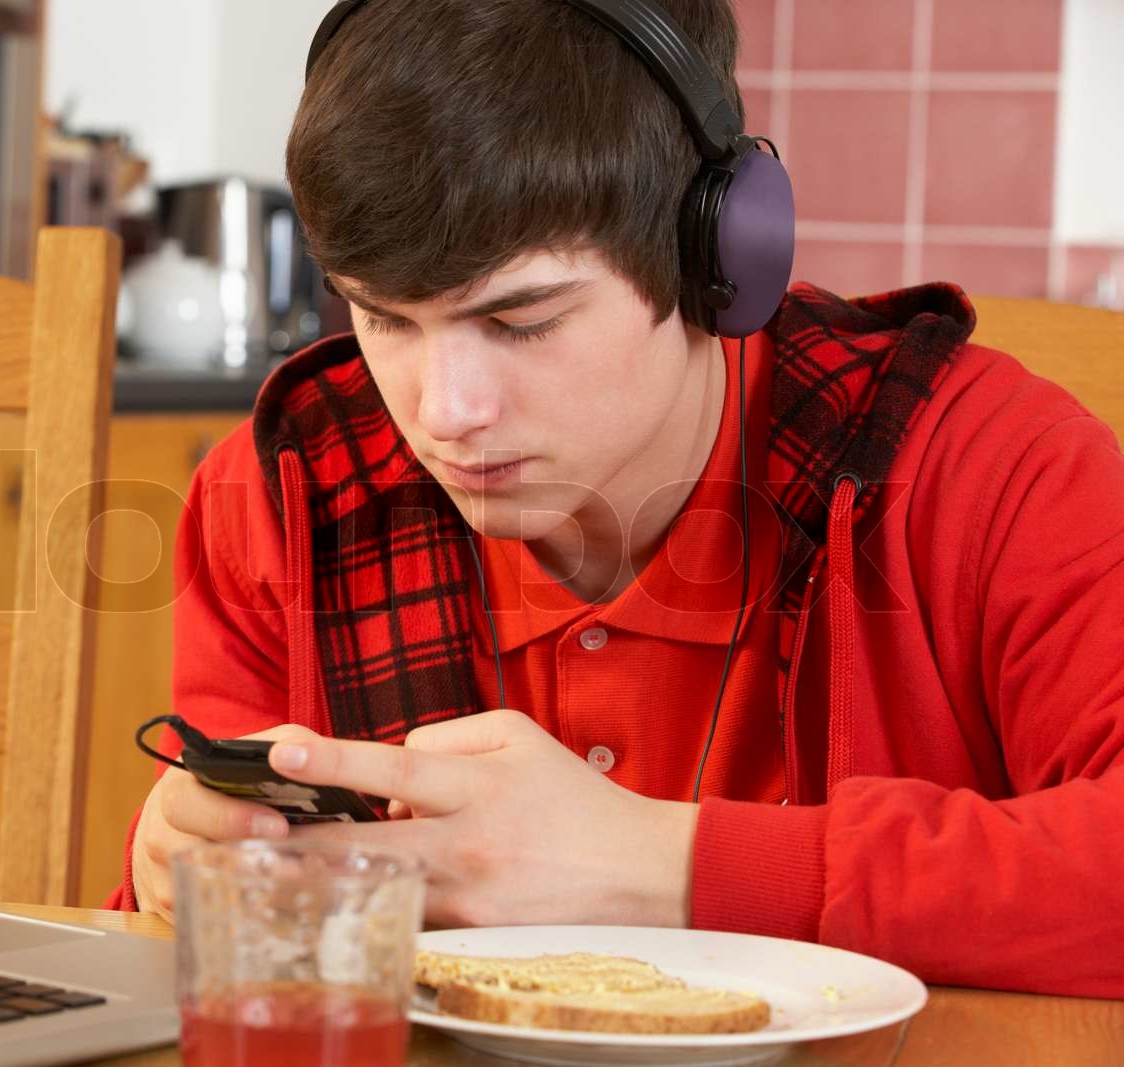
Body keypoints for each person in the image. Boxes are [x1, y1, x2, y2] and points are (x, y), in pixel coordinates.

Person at [107, 0, 1124, 998]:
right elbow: (196, 973)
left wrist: (663, 864)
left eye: (521, 320)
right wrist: (171, 865)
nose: (443, 411)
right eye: (384, 318)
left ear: (716, 262)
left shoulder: (993, 465)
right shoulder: (282, 491)